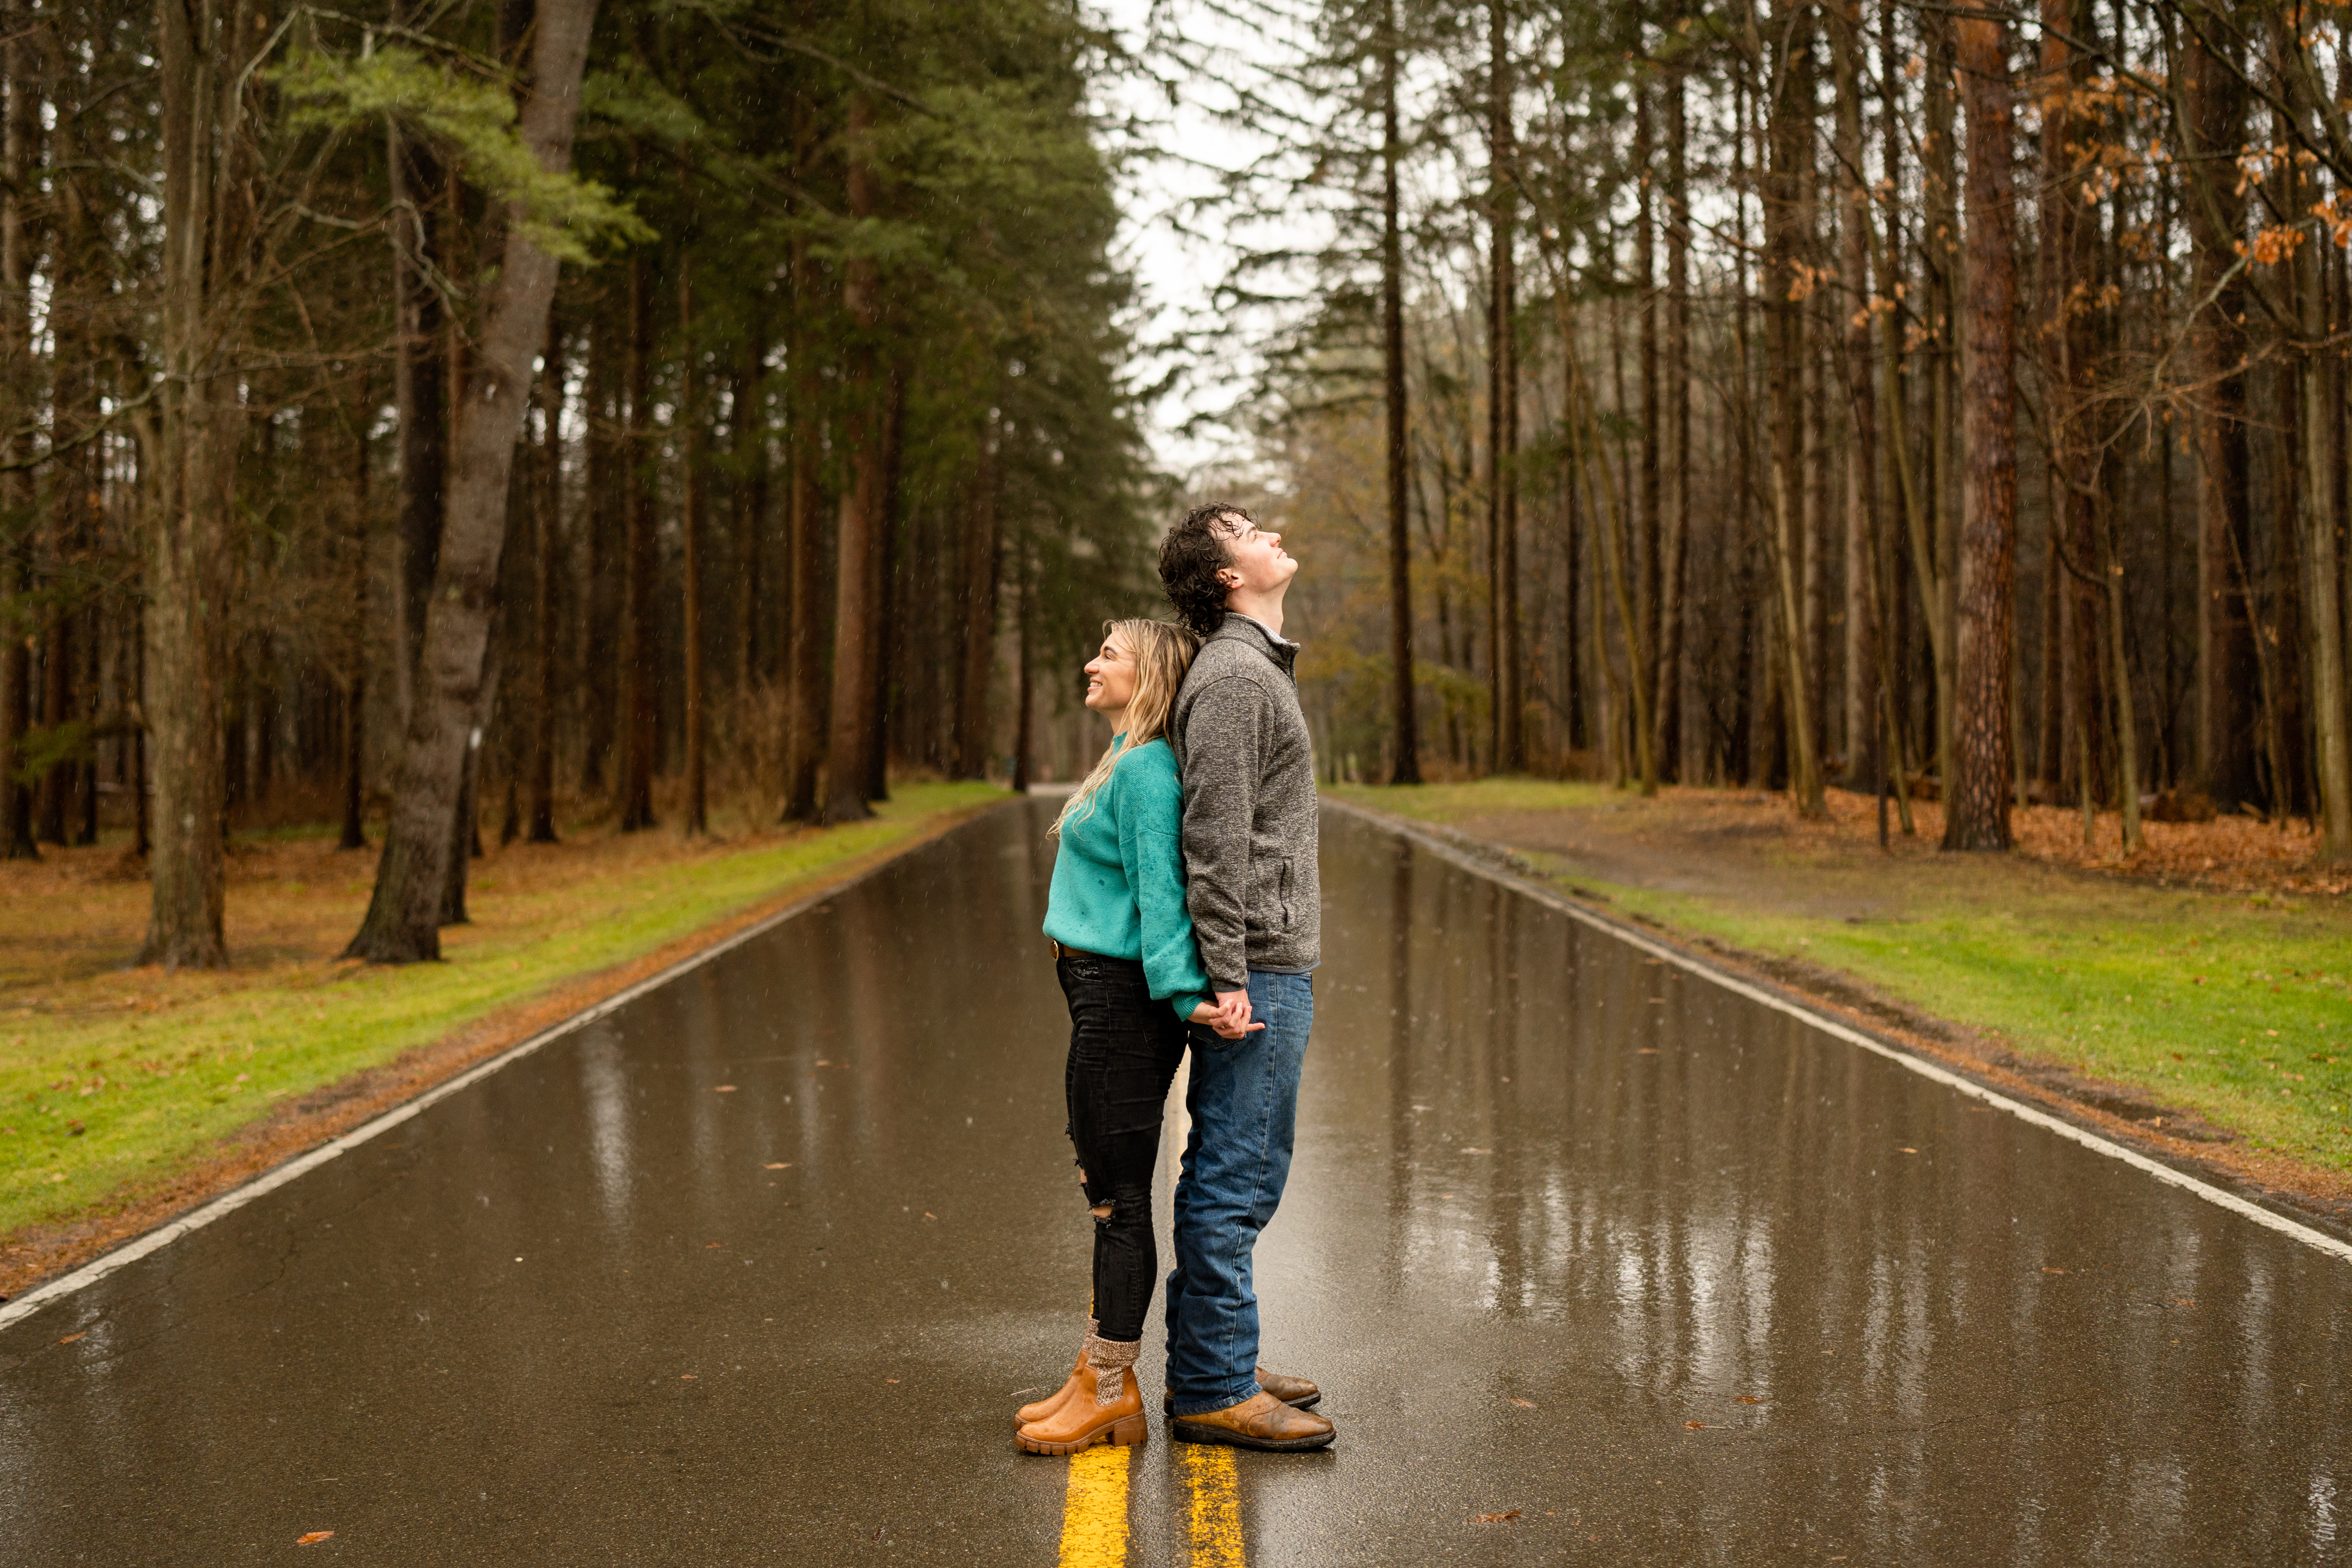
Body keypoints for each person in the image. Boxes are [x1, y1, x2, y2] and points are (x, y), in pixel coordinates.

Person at [1014, 618, 1256, 1456]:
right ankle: (1093, 1375)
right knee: (1104, 1190)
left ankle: (1113, 1397)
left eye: (1109, 654)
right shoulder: (1124, 756)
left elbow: (1162, 894)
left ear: (1147, 673)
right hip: (1098, 998)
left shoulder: (1148, 769)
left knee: (1117, 1204)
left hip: (1120, 1003)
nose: (1091, 663)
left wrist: (1187, 995)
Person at [1155, 502, 1336, 1452]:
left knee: (1243, 1171)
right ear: (1225, 575)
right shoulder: (1233, 676)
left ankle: (1212, 1353)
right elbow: (1214, 838)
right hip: (1255, 967)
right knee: (1234, 1174)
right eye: (1247, 529)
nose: (1270, 532)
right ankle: (1212, 1385)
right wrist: (1227, 971)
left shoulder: (1250, 668)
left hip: (1268, 957)